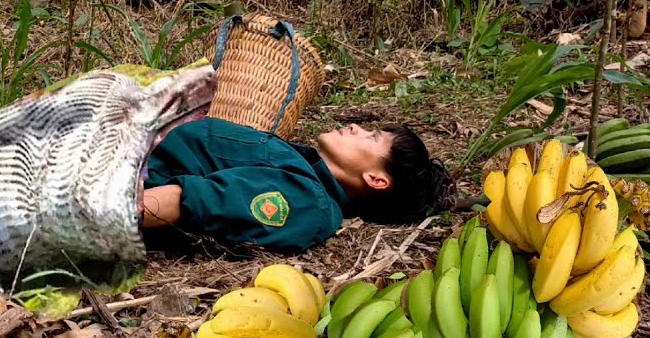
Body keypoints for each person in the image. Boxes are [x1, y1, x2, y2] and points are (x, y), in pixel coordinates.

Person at [138, 117, 453, 254]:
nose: (357, 127)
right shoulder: (304, 169)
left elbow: (193, 200)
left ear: (376, 180)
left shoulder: (309, 205)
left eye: (373, 138)